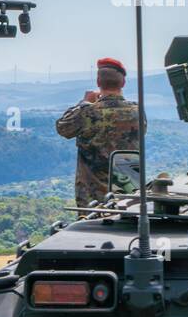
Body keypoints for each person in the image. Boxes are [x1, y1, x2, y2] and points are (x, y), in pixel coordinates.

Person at [55, 58, 143, 208]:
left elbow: (62, 127)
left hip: (93, 199)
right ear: (123, 83)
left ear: (98, 82)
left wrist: (83, 103)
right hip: (128, 196)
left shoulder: (87, 113)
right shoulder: (137, 112)